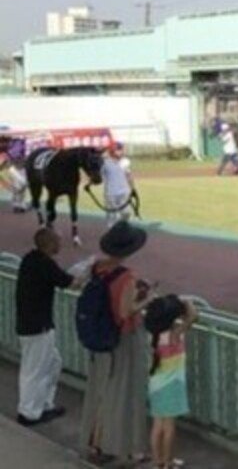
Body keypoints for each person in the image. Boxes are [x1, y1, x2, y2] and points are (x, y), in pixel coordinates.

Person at [80, 221, 156, 465]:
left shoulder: (96, 268)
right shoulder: (127, 276)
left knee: (99, 392)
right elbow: (126, 311)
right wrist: (147, 299)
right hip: (122, 339)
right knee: (124, 395)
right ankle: (121, 446)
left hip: (98, 338)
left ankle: (96, 442)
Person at [15, 228, 88, 426]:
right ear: (49, 244)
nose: (60, 244)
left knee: (52, 363)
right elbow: (71, 283)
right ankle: (29, 412)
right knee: (34, 369)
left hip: (32, 324)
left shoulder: (31, 259)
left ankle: (44, 404)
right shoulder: (45, 264)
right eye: (57, 241)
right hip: (38, 327)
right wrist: (88, 269)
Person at [145, 294, 197, 469]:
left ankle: (157, 461)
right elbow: (193, 316)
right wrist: (187, 302)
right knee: (169, 427)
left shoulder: (154, 335)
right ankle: (167, 463)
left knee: (157, 425)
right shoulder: (174, 335)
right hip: (171, 385)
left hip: (156, 384)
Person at [102, 142, 135, 226]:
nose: (121, 152)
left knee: (126, 213)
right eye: (119, 150)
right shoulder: (105, 163)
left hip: (124, 192)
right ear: (112, 151)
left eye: (121, 149)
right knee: (112, 216)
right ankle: (112, 234)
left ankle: (123, 229)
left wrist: (132, 188)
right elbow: (98, 175)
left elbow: (129, 175)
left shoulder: (125, 162)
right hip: (110, 193)